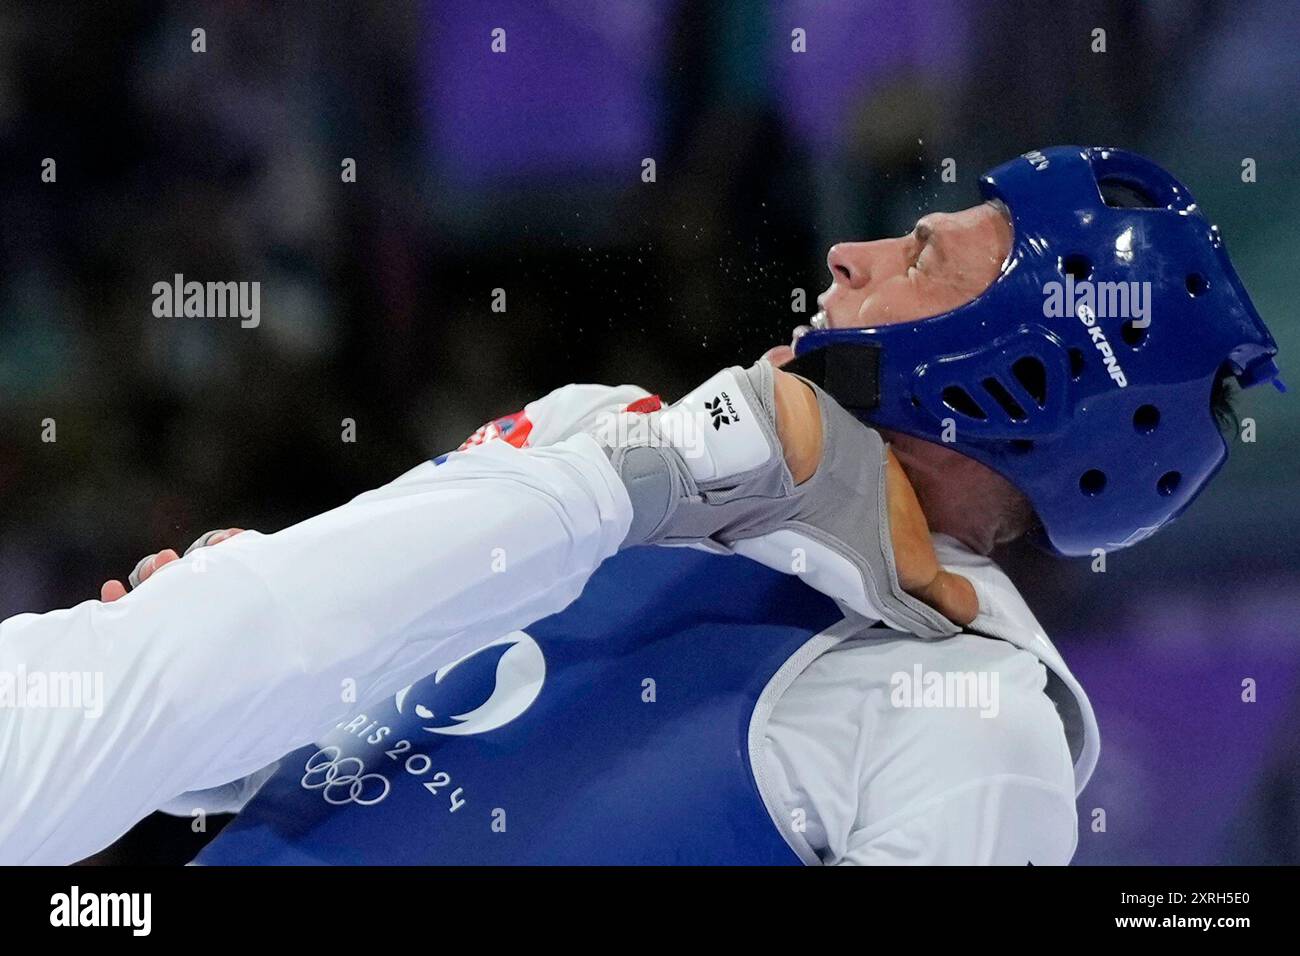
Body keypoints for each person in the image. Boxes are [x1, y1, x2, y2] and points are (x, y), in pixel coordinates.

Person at [6, 146, 1282, 865]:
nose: (852, 255)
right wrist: (231, 714)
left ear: (1032, 368)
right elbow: (270, 719)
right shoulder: (602, 432)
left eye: (925, 257)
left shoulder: (967, 728)